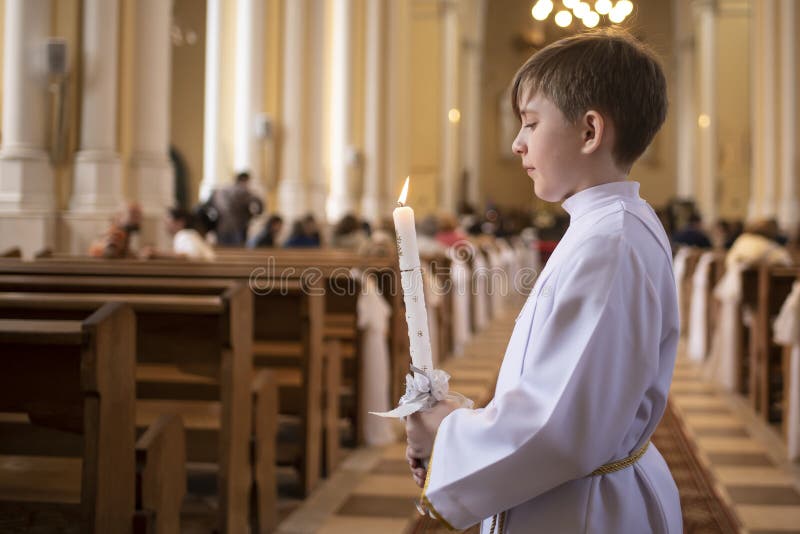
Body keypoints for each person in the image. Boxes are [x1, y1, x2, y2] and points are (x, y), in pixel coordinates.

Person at [405, 29, 681, 533]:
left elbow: (560, 429)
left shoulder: (610, 242)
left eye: (531, 123)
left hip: (582, 512)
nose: (516, 143)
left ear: (589, 131)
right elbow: (565, 384)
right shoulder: (606, 224)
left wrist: (447, 435)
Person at [140, 207, 216, 261]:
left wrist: (157, 254)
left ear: (180, 222)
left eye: (168, 219)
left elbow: (193, 255)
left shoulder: (184, 235)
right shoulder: (188, 234)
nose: (165, 224)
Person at [210, 171, 264, 246]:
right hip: (239, 227)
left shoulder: (222, 190)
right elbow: (259, 204)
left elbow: (212, 205)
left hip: (221, 226)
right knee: (238, 251)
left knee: (222, 250)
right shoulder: (244, 191)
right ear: (245, 180)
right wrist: (253, 215)